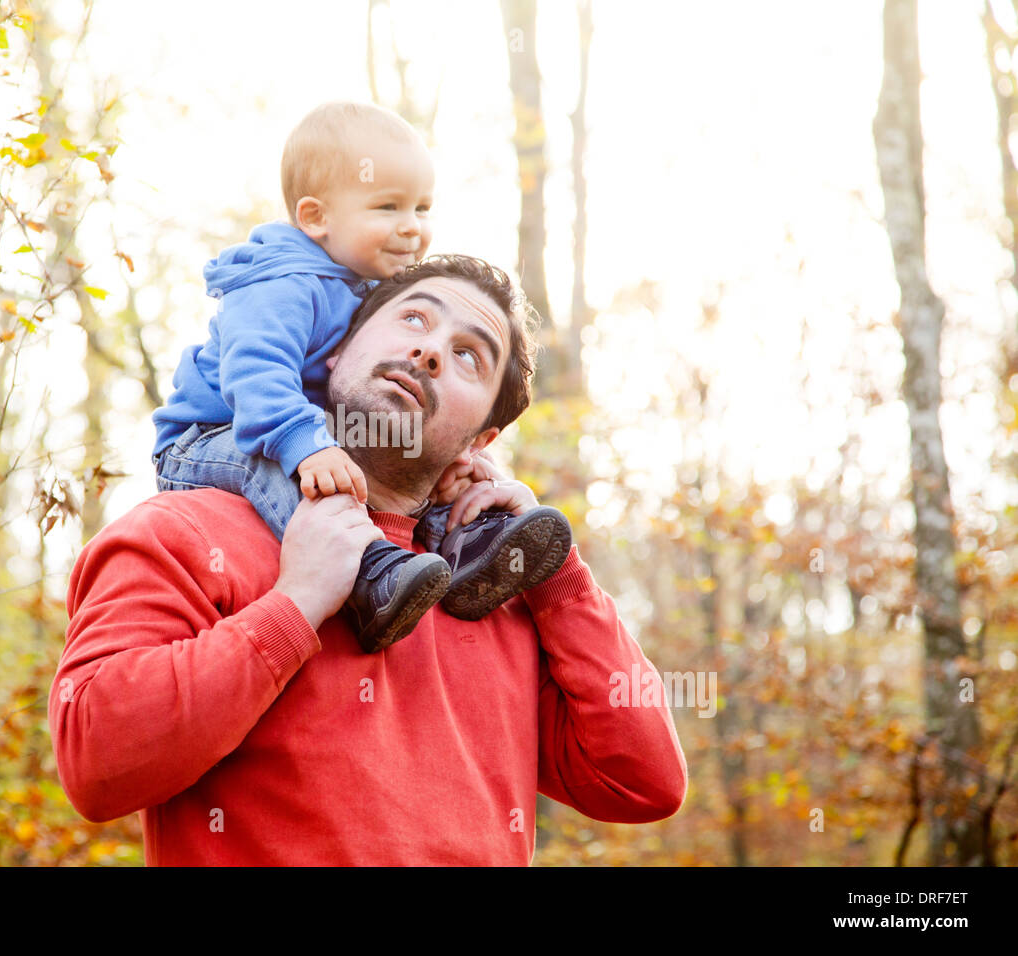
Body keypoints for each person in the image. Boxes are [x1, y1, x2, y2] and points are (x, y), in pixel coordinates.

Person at [51, 255, 688, 866]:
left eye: (469, 355)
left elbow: (642, 781)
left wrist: (557, 581)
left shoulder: (491, 590)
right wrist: (294, 607)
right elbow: (94, 759)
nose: (431, 350)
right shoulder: (185, 532)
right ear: (334, 351)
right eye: (414, 318)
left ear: (481, 441)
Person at [151, 102, 572, 653]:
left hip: (288, 425)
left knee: (402, 450)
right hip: (208, 439)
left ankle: (470, 541)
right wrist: (305, 446)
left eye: (422, 209)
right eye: (388, 206)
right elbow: (255, 377)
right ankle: (369, 572)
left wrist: (468, 464)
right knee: (285, 472)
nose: (412, 228)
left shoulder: (362, 285)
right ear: (315, 217)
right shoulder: (281, 283)